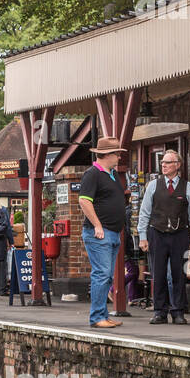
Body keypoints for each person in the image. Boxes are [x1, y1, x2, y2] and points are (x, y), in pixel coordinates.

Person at [138, 150, 190, 325]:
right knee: (158, 273)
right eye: (162, 163)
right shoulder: (153, 185)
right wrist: (142, 236)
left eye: (167, 162)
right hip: (157, 233)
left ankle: (178, 312)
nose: (164, 165)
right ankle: (159, 311)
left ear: (177, 165)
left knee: (179, 274)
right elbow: (144, 213)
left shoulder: (187, 187)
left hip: (180, 234)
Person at [78, 137, 128, 328]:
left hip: (112, 232)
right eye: (117, 153)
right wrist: (98, 225)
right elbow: (84, 200)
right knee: (102, 273)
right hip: (100, 233)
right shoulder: (93, 174)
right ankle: (97, 317)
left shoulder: (112, 174)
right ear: (107, 154)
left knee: (107, 275)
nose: (119, 157)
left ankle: (103, 315)